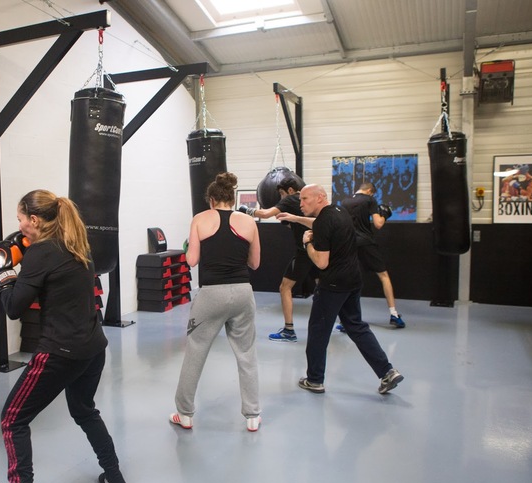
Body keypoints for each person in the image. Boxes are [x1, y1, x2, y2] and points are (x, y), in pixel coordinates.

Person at [0, 190, 126, 483]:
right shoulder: (77, 243)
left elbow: (15, 308)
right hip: (93, 347)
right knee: (84, 410)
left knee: (12, 419)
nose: (17, 225)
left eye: (20, 219)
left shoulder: (41, 254)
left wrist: (1, 277)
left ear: (34, 220)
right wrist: (22, 246)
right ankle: (114, 476)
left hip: (59, 353)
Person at [278, 184, 404, 395]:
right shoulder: (338, 212)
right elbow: (319, 224)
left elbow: (321, 262)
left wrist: (307, 243)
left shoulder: (326, 220)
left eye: (305, 199)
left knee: (318, 331)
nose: (301, 204)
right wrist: (295, 218)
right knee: (356, 326)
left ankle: (315, 380)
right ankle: (387, 372)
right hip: (353, 280)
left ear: (320, 198)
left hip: (333, 284)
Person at [171, 172, 263, 432]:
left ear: (211, 200)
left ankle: (185, 414)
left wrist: (192, 244)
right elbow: (255, 263)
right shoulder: (248, 222)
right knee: (247, 353)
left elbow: (191, 261)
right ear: (231, 199)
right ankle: (253, 416)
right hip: (243, 292)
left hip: (212, 294)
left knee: (196, 351)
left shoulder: (200, 219)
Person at [241, 174, 316, 342]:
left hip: (304, 252)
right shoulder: (306, 202)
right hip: (320, 249)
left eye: (281, 194)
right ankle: (346, 321)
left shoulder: (290, 199)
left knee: (285, 287)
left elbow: (265, 214)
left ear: (289, 190)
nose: (281, 198)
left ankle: (289, 330)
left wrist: (247, 210)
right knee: (325, 287)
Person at [340, 182, 405, 328]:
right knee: (384, 276)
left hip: (348, 243)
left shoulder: (345, 201)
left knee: (350, 279)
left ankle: (346, 320)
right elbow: (378, 224)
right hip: (365, 242)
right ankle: (394, 315)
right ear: (370, 191)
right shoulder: (370, 200)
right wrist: (385, 214)